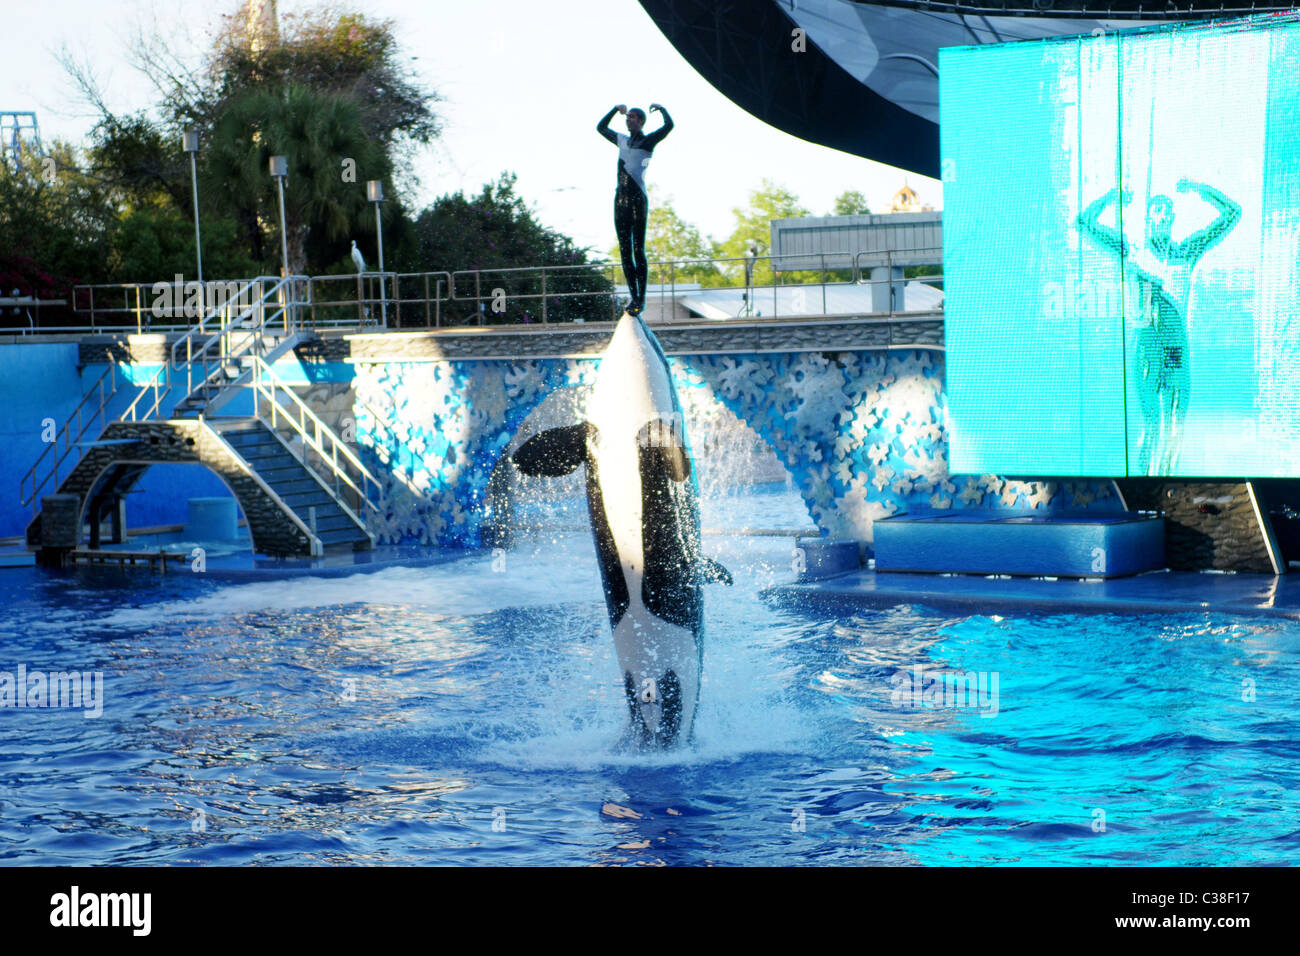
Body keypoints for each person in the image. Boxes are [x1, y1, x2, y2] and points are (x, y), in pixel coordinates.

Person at [1076, 178, 1240, 475]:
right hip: (1147, 347)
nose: (1163, 215)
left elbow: (1232, 214)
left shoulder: (1186, 251)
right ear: (1148, 218)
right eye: (1157, 210)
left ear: (1173, 219)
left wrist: (1201, 189)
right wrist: (1112, 196)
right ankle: (1141, 481)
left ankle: (1168, 478)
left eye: (1168, 211)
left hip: (1176, 347)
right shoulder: (1132, 250)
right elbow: (1084, 222)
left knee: (1176, 423)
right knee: (1151, 423)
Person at [597, 102, 673, 315]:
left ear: (640, 121)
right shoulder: (621, 140)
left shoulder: (648, 141)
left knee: (638, 248)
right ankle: (633, 296)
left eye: (632, 117)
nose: (628, 119)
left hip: (638, 199)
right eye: (627, 117)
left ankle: (641, 298)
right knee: (624, 250)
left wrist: (662, 109)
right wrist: (614, 110)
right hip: (620, 199)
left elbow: (669, 126)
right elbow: (601, 128)